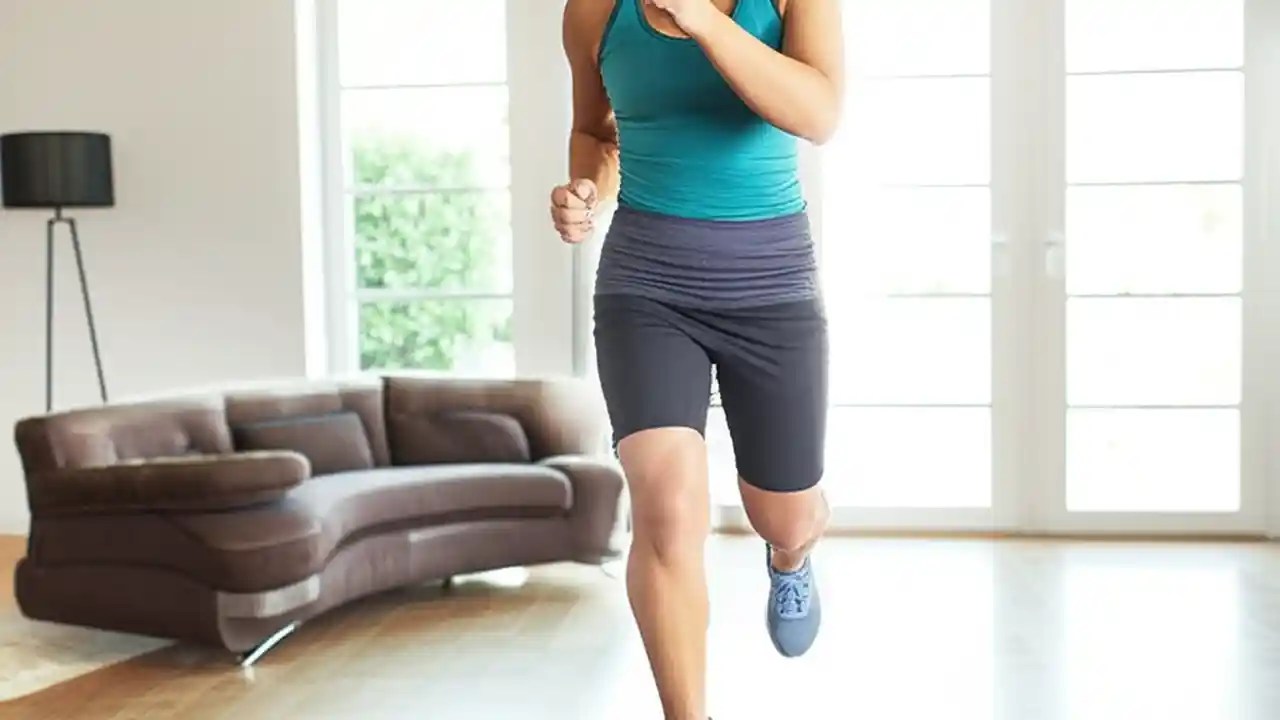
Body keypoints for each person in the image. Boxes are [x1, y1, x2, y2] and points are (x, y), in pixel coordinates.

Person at [550, 0, 843, 717]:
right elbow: (596, 131)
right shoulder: (593, 10)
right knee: (668, 509)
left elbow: (819, 112)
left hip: (771, 285)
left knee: (786, 514)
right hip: (646, 286)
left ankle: (790, 558)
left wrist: (705, 21)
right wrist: (588, 191)